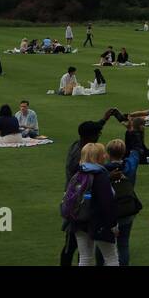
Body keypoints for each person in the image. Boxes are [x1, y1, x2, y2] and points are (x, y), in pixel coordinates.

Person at [60, 113, 115, 265]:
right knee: (72, 246)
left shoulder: (79, 145)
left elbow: (90, 129)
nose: (99, 136)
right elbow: (89, 177)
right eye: (97, 134)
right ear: (90, 136)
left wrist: (104, 119)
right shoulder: (79, 156)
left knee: (82, 250)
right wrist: (107, 175)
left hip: (78, 201)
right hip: (78, 204)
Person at [66, 142, 119, 266]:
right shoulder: (100, 175)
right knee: (111, 257)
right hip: (99, 221)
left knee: (85, 257)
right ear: (100, 156)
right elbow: (107, 202)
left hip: (79, 220)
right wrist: (113, 224)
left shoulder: (79, 173)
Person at [105, 138, 142, 266]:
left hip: (108, 211)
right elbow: (136, 152)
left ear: (108, 153)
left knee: (104, 245)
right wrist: (134, 132)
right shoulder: (129, 166)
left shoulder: (103, 170)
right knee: (123, 244)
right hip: (127, 207)